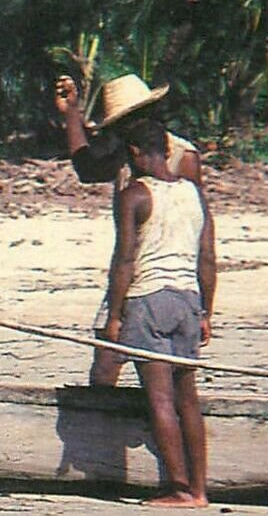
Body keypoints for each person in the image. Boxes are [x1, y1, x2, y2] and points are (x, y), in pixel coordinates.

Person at [54, 73, 205, 388]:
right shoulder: (126, 151)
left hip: (158, 279)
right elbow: (87, 168)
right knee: (108, 368)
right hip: (138, 279)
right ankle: (103, 430)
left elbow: (204, 234)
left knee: (163, 382)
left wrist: (206, 306)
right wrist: (71, 114)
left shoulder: (181, 156)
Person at [105, 116, 216, 507]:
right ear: (167, 151)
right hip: (187, 300)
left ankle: (180, 488)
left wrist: (114, 316)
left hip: (148, 300)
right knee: (188, 399)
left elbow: (124, 261)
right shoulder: (193, 194)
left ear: (134, 153)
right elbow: (207, 258)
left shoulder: (134, 195)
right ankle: (200, 490)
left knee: (161, 400)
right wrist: (206, 312)